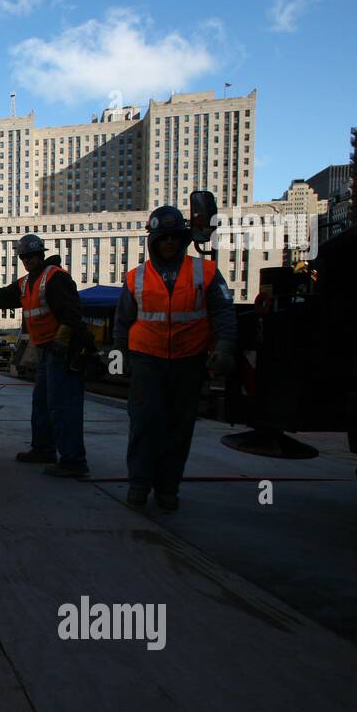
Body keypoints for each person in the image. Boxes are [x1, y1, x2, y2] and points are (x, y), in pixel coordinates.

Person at [113, 206, 236, 511]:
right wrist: (119, 358)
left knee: (178, 428)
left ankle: (168, 488)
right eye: (162, 237)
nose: (168, 242)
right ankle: (139, 485)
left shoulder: (205, 272)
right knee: (144, 424)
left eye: (173, 237)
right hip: (147, 360)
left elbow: (223, 312)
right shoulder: (135, 277)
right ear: (153, 241)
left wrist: (224, 347)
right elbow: (122, 322)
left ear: (183, 239)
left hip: (188, 361)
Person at [0, 234, 89, 477]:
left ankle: (73, 461)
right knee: (42, 402)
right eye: (24, 257)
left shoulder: (55, 277)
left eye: (31, 256)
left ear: (41, 254)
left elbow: (72, 313)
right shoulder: (26, 283)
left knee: (63, 405)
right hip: (47, 351)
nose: (28, 260)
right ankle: (44, 449)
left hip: (64, 351)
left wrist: (61, 340)